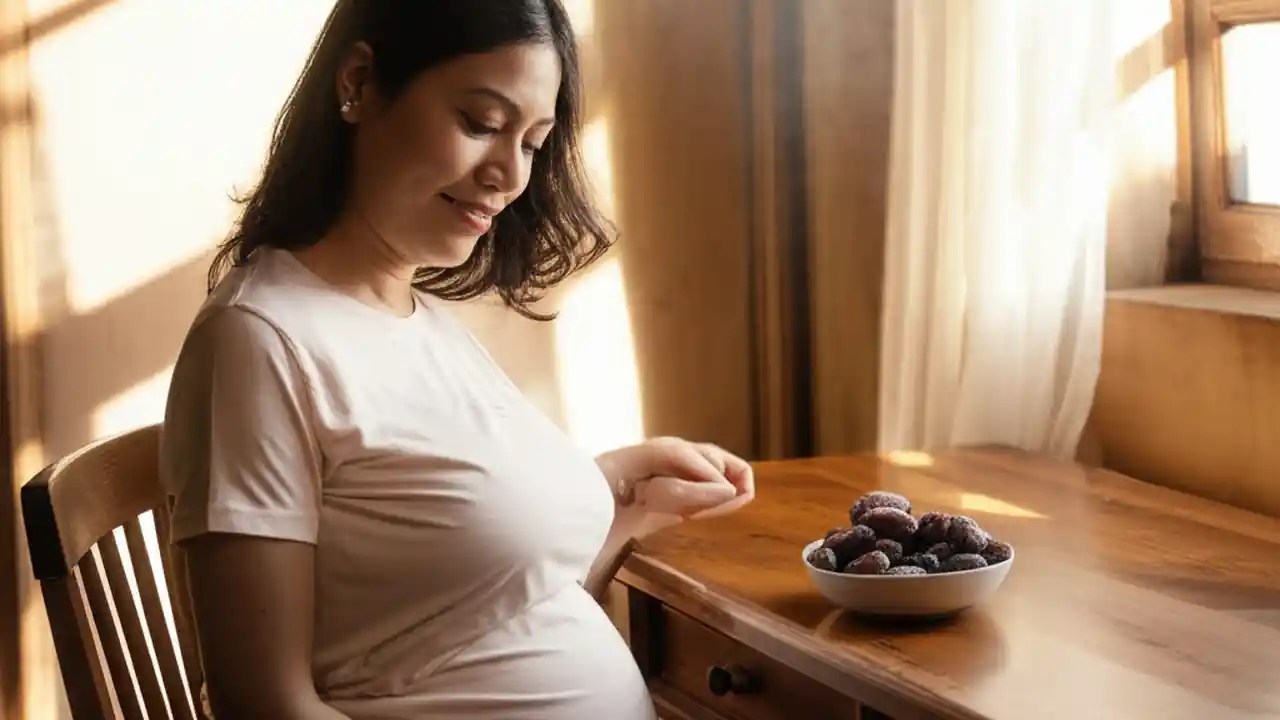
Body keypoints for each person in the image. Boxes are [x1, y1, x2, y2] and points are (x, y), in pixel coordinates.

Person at [157, 1, 755, 718]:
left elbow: (487, 621)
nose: (509, 175)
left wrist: (626, 498)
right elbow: (262, 704)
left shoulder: (419, 322)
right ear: (359, 82)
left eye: (533, 142)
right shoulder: (259, 342)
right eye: (481, 124)